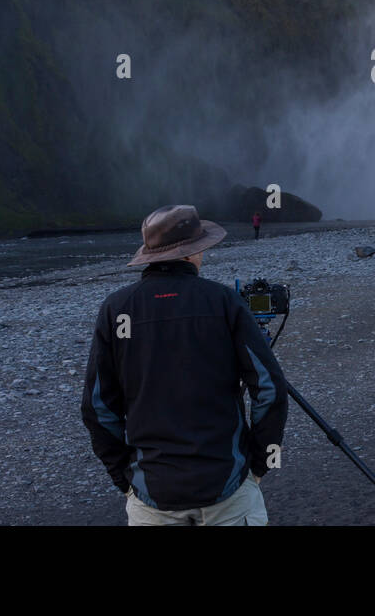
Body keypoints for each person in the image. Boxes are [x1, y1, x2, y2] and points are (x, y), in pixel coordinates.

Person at [82, 204, 287, 526]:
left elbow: (97, 408)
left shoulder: (116, 308)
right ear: (193, 252)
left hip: (151, 492)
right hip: (227, 486)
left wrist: (123, 478)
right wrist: (260, 464)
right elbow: (270, 390)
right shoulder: (222, 301)